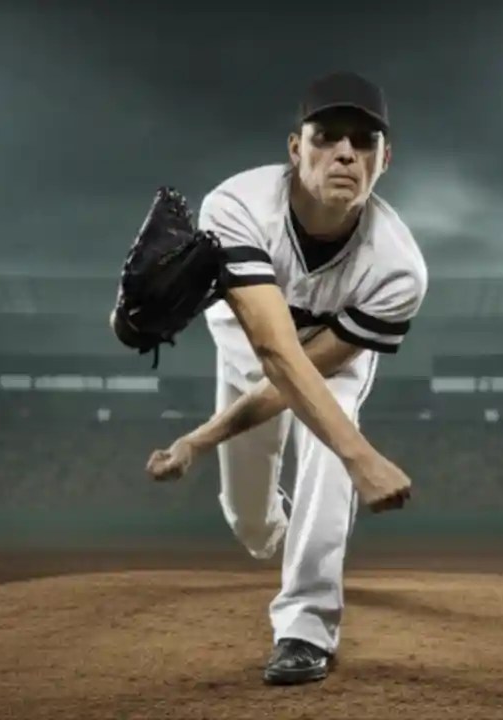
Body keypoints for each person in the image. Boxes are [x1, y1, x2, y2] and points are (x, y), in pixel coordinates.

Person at [144, 71, 428, 686]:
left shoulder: (399, 268)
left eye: (364, 141)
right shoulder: (239, 207)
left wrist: (354, 455)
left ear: (385, 160)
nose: (346, 152)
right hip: (249, 349)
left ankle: (306, 625)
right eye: (327, 136)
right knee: (248, 521)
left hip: (334, 361)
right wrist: (200, 440)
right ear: (295, 148)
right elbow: (272, 354)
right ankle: (278, 529)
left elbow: (303, 379)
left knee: (333, 438)